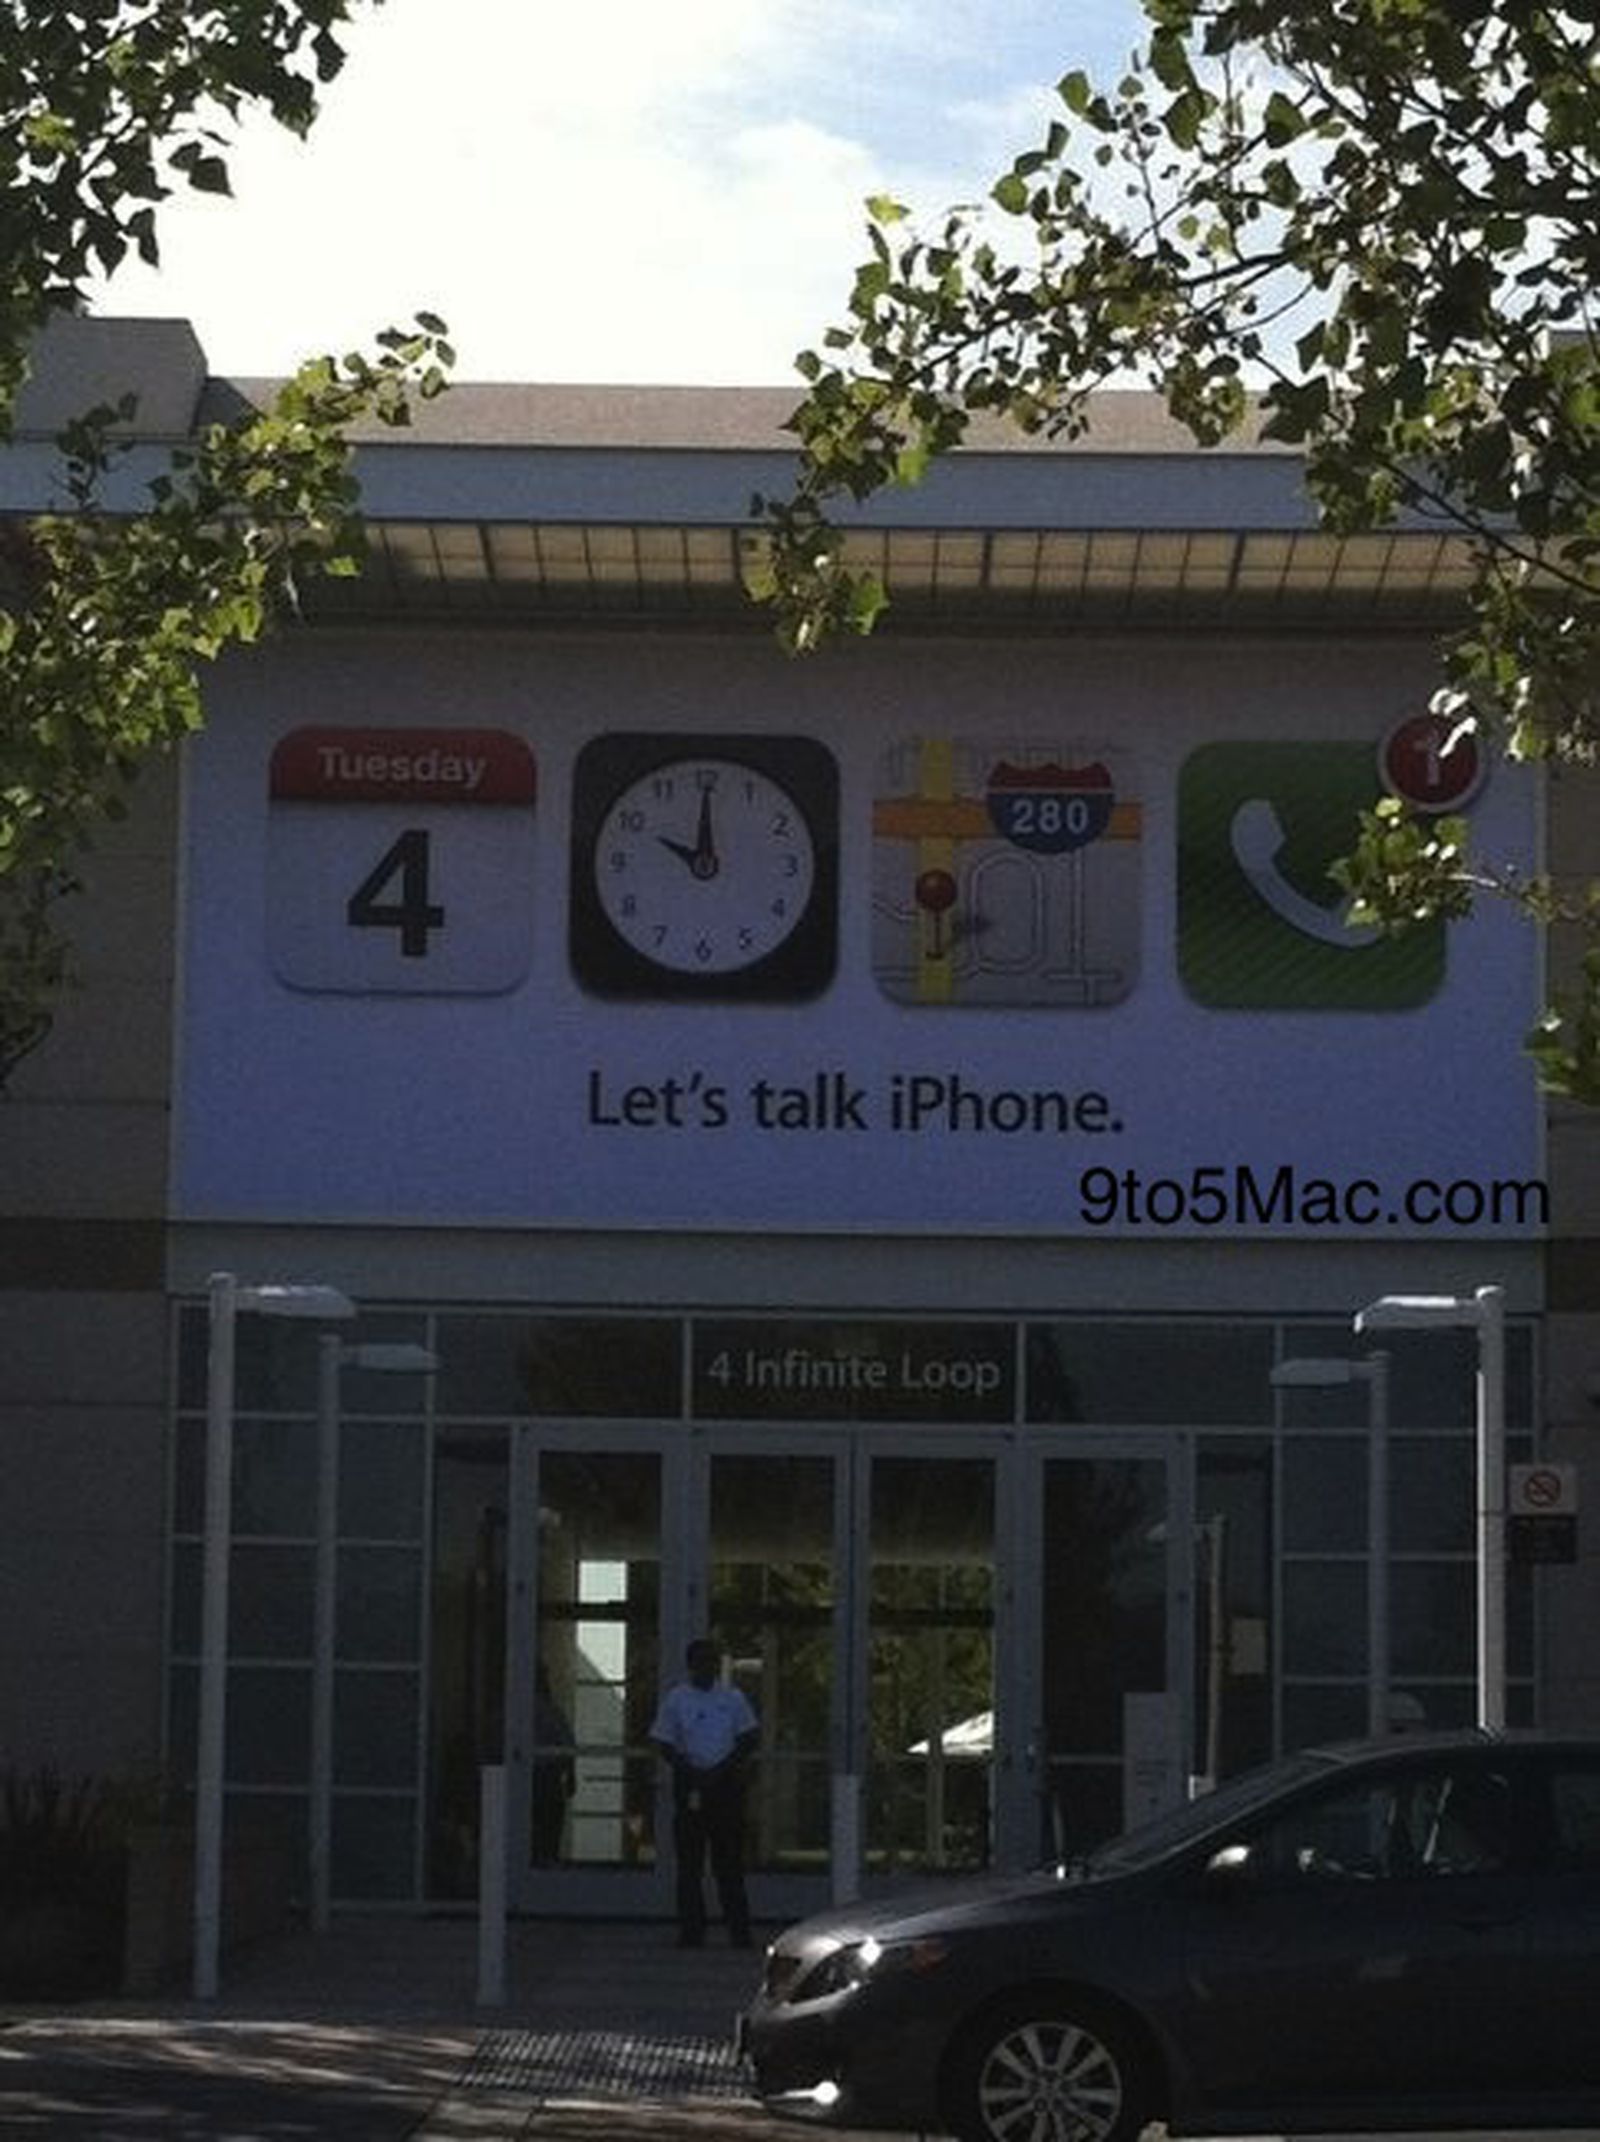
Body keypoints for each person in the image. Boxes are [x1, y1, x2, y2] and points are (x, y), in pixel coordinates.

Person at [650, 1637, 759, 1946]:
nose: (707, 1668)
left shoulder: (733, 1699)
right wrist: (689, 1770)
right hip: (691, 1787)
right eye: (701, 1662)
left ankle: (739, 1931)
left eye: (711, 1662)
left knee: (729, 1865)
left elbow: (749, 1737)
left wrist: (723, 1768)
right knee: (690, 1865)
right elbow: (663, 1741)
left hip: (725, 1788)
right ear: (690, 1665)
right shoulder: (677, 1700)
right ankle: (691, 1931)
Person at [531, 1660, 576, 1865]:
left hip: (538, 1776)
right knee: (548, 1832)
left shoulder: (514, 1711)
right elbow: (567, 1744)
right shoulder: (550, 1711)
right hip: (547, 1777)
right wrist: (571, 1775)